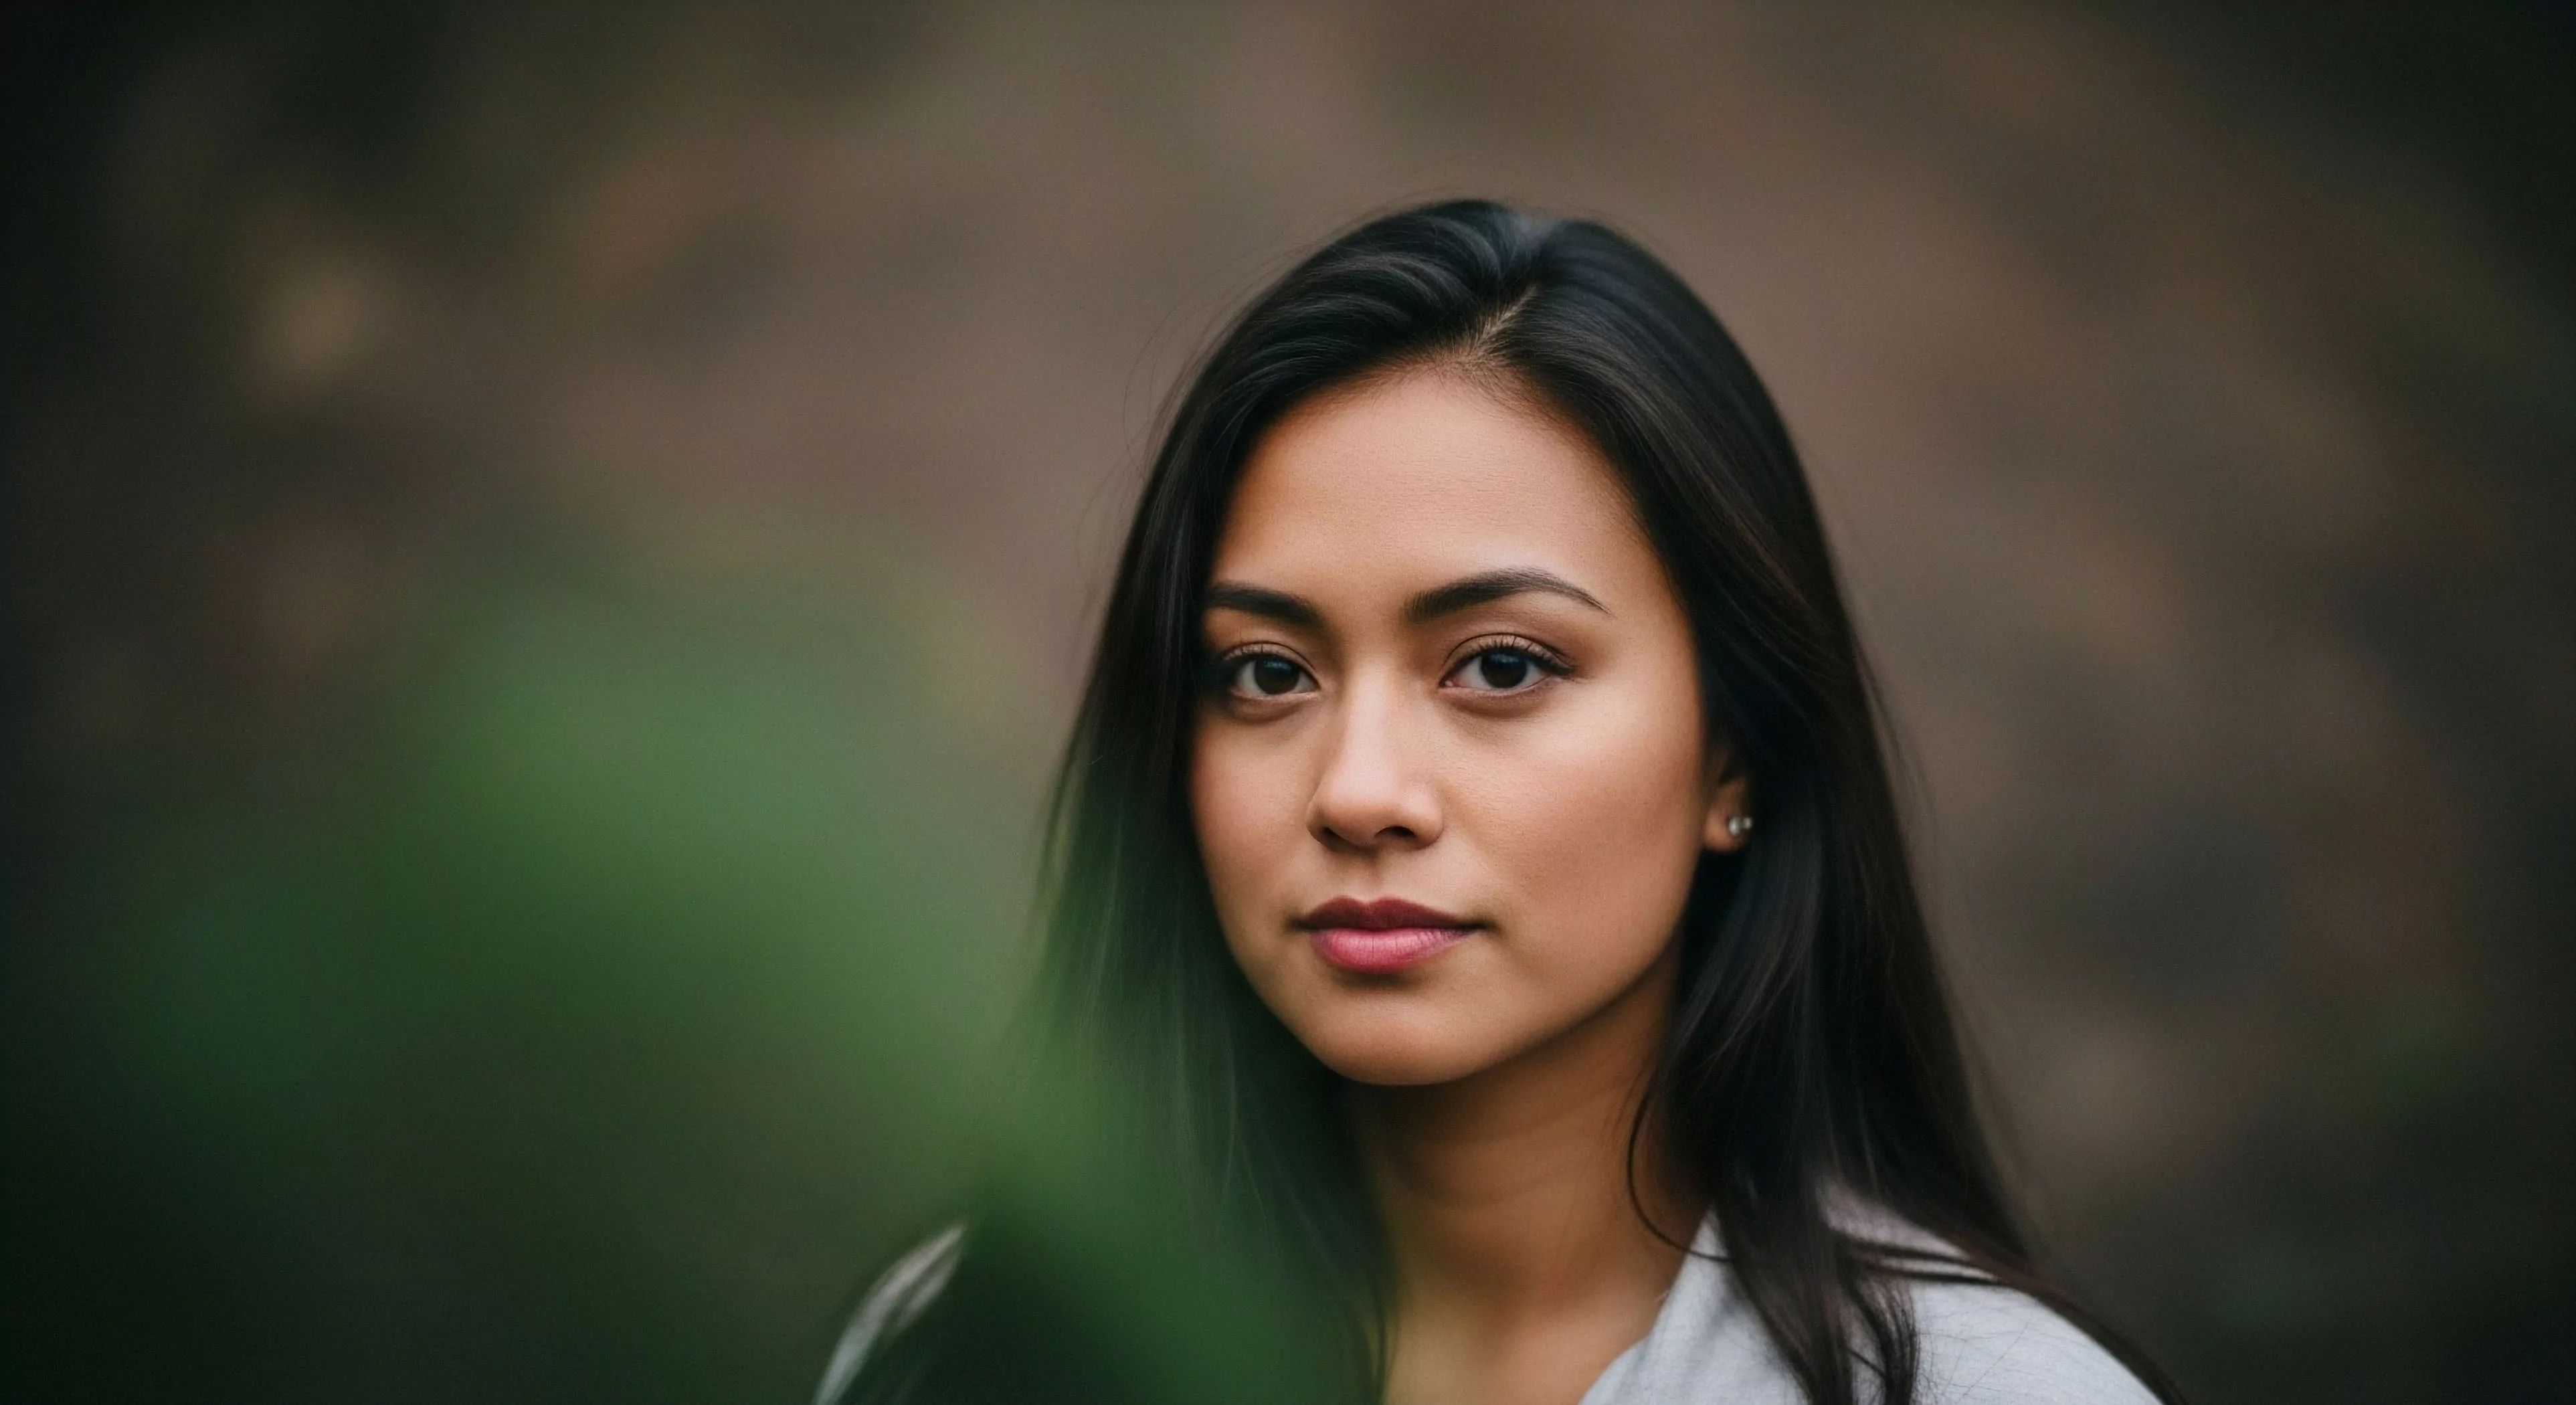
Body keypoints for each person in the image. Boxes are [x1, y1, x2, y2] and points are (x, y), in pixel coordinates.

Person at [818, 200, 2177, 1405]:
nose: (1358, 793)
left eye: (1502, 666)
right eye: (1268, 673)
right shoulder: (968, 1350)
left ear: (1735, 756)